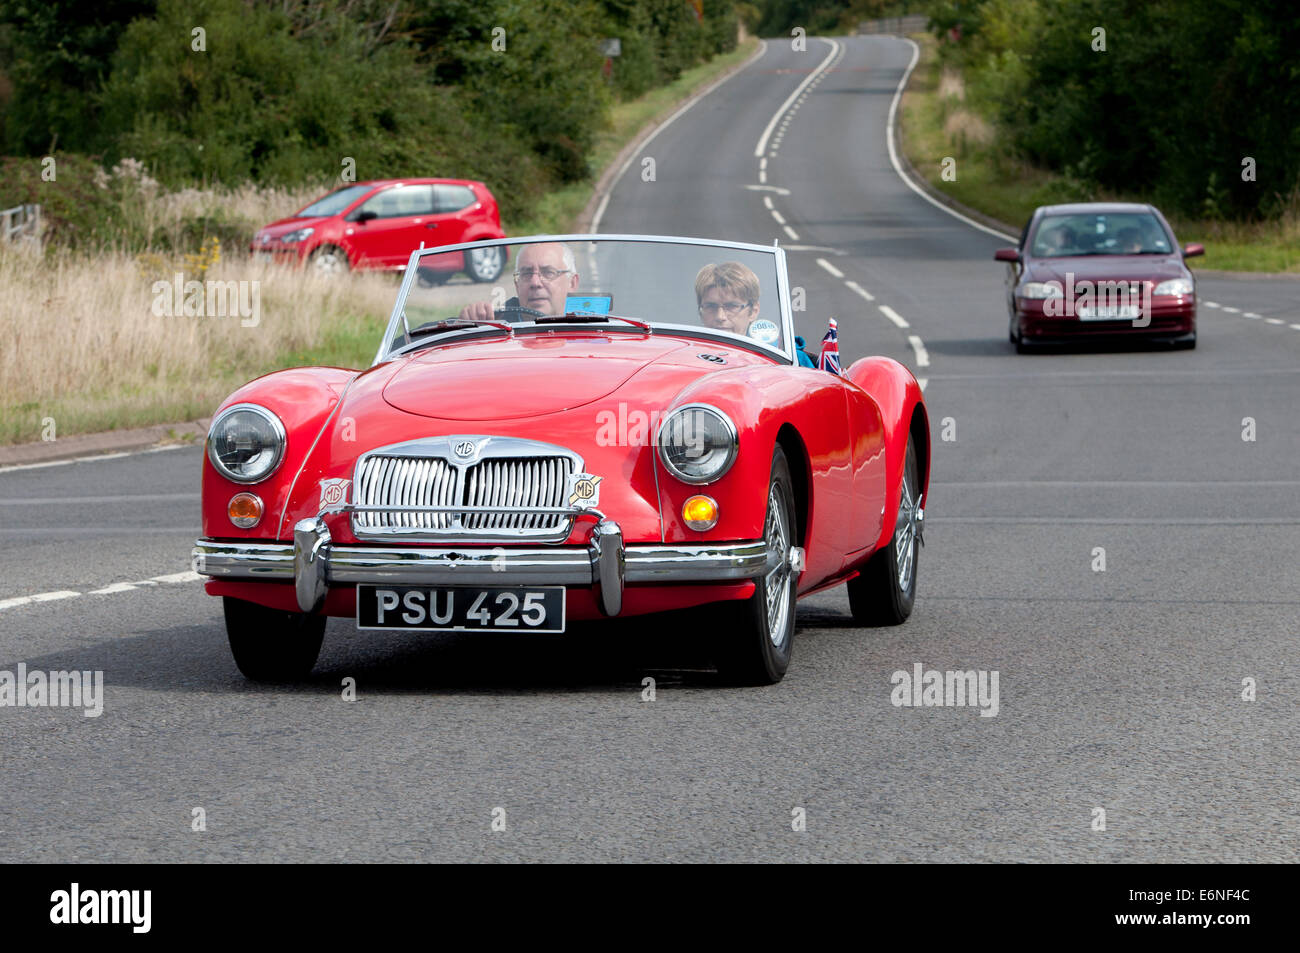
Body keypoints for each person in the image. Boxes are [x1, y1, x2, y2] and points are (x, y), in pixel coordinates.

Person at [459, 242, 579, 321]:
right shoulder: (496, 321)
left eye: (548, 272)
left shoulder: (593, 324)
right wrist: (470, 321)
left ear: (572, 283)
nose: (535, 283)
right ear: (517, 285)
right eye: (526, 273)